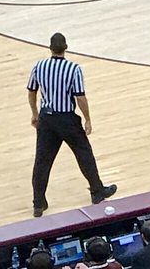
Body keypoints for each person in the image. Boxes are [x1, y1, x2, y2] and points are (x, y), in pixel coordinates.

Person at [28, 31, 116, 217]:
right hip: (67, 119)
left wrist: (35, 113)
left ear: (50, 48)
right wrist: (88, 118)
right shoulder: (73, 69)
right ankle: (97, 191)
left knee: (42, 161)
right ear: (65, 48)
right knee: (84, 153)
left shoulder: (39, 66)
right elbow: (80, 97)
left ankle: (38, 203)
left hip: (46, 118)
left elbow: (31, 91)